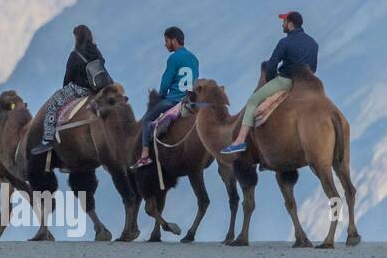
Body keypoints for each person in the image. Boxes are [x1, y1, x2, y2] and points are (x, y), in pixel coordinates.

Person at [222, 11, 318, 154]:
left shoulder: (284, 42)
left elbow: (272, 64)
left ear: (290, 24)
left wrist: (271, 79)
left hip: (286, 82)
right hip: (307, 85)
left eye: (284, 21)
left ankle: (240, 141)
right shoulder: (313, 43)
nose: (282, 24)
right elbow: (313, 68)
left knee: (253, 101)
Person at [30, 25, 105, 157]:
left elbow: (68, 78)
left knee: (53, 105)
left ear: (77, 37)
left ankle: (48, 140)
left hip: (80, 89)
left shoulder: (74, 55)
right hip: (97, 88)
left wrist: (65, 90)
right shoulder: (96, 51)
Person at [134, 27, 200, 168]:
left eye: (166, 41)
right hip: (188, 100)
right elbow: (195, 80)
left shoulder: (173, 58)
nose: (165, 44)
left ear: (174, 41)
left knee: (147, 119)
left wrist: (162, 95)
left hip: (173, 100)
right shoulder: (194, 59)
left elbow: (165, 83)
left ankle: (145, 156)